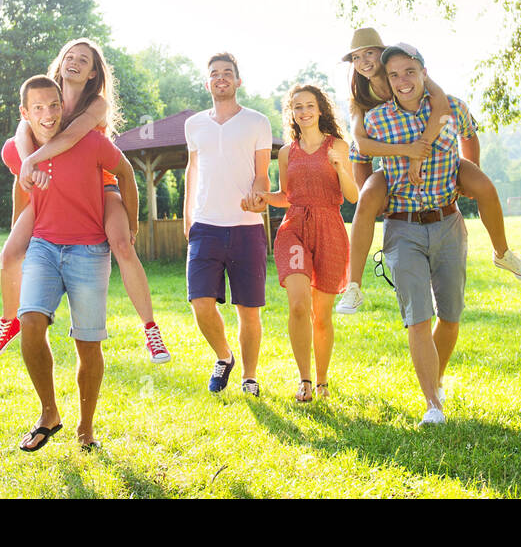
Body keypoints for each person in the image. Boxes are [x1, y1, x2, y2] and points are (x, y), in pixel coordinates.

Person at [0, 38, 170, 366]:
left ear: (93, 72)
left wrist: (132, 219)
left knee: (122, 245)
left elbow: (70, 138)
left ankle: (150, 328)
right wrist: (28, 167)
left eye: (83, 60)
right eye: (70, 56)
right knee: (10, 253)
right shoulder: (45, 97)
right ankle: (8, 321)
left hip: (100, 184)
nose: (74, 62)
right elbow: (20, 132)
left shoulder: (95, 106)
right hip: (54, 189)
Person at [336, 27, 521, 315]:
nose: (364, 61)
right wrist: (405, 157)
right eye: (356, 57)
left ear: (383, 53)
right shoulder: (361, 99)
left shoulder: (409, 72)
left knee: (484, 185)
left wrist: (459, 168)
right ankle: (353, 286)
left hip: (434, 157)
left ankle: (502, 253)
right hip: (392, 165)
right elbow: (361, 147)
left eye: (369, 53)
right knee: (367, 198)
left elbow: (443, 107)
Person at [1, 74, 141, 451]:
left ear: (63, 106)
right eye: (38, 108)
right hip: (45, 246)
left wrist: (132, 219)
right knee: (30, 320)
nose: (47, 114)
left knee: (88, 343)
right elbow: (21, 184)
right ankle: (49, 414)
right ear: (25, 113)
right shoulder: (22, 146)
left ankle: (86, 429)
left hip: (89, 250)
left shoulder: (90, 139)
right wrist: (20, 229)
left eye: (53, 105)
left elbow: (125, 171)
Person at [364, 43, 481, 425]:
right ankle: (433, 403)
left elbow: (471, 134)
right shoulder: (378, 120)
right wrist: (374, 194)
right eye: (394, 75)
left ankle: (436, 379)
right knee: (418, 316)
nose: (402, 81)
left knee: (449, 315)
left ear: (423, 71)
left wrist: (469, 174)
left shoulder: (451, 108)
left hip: (448, 222)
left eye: (409, 72)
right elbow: (357, 156)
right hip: (402, 227)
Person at [251, 85, 360, 402]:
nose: (304, 112)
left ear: (321, 109)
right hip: (294, 228)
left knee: (322, 316)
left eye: (309, 106)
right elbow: (287, 197)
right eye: (297, 107)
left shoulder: (339, 145)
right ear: (292, 113)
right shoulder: (286, 153)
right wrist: (264, 198)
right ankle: (305, 381)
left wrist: (340, 167)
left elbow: (352, 196)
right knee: (299, 304)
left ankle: (323, 381)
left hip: (330, 227)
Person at [183, 52, 274, 395]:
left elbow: (262, 175)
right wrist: (187, 217)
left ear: (238, 81)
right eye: (214, 74)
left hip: (247, 227)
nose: (221, 78)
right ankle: (224, 356)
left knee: (248, 310)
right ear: (207, 83)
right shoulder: (194, 125)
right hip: (205, 226)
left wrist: (257, 195)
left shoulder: (257, 122)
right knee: (200, 302)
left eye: (227, 73)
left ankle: (249, 377)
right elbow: (193, 171)